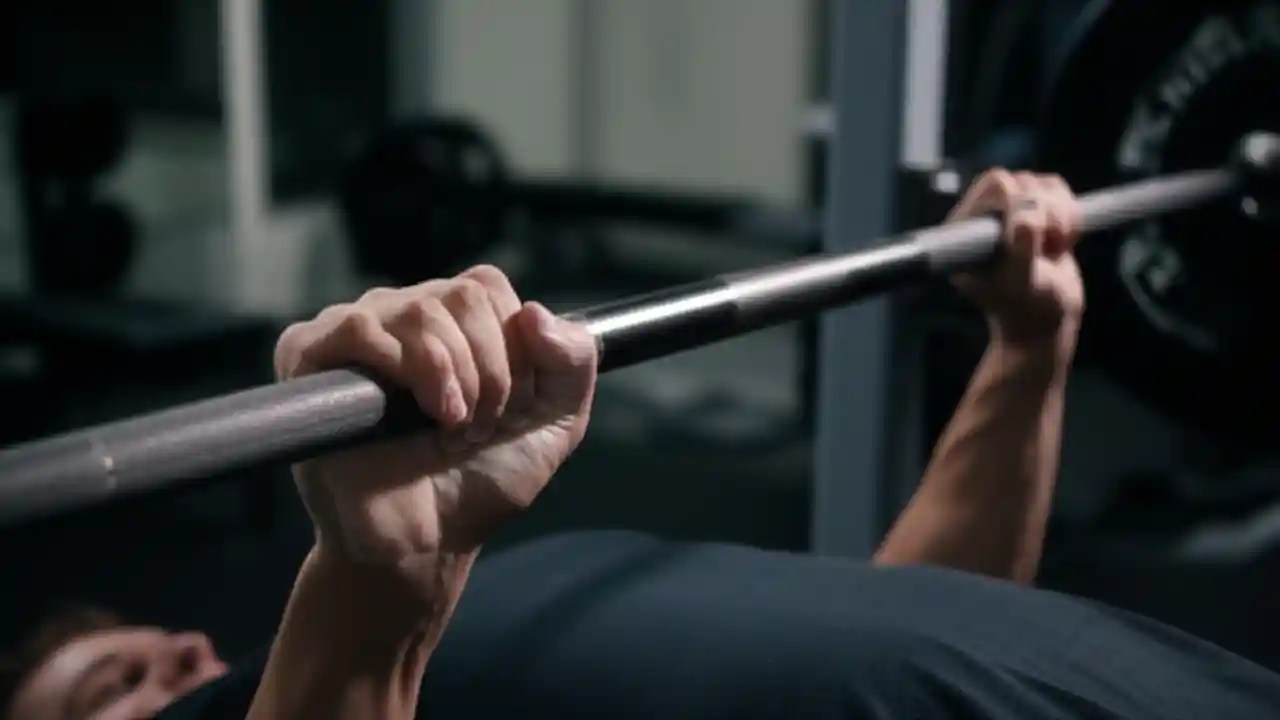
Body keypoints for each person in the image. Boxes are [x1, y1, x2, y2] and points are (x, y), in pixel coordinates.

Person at [4, 170, 1280, 719]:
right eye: (108, 694)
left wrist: (1023, 353)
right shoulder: (347, 660)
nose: (177, 645)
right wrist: (379, 588)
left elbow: (900, 622)